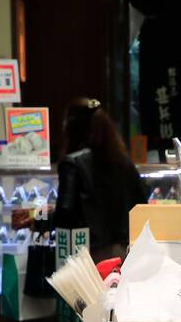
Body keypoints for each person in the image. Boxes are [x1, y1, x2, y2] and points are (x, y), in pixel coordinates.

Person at [51, 98, 147, 263]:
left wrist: (40, 218)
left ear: (73, 128)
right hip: (124, 252)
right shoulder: (123, 161)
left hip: (89, 255)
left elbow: (65, 215)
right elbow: (140, 203)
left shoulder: (72, 164)